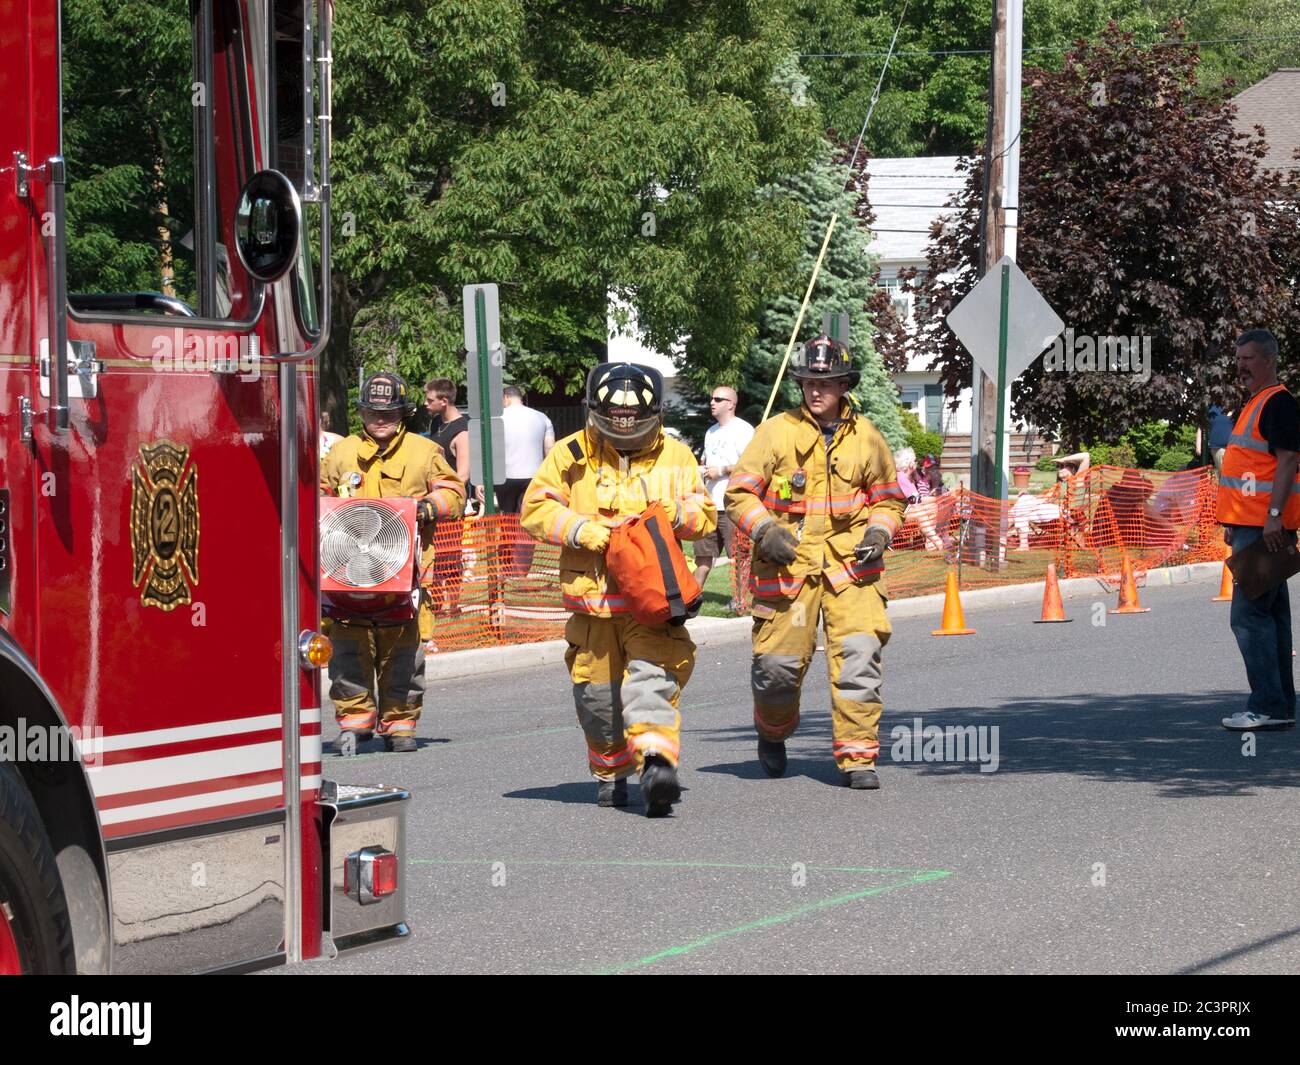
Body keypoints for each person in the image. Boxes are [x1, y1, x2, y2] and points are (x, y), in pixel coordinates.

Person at [521, 362, 716, 815]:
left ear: (654, 415)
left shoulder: (676, 455)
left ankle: (657, 765)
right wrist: (578, 529)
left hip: (652, 604)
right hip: (593, 608)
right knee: (598, 702)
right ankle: (611, 775)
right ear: (596, 412)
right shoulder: (570, 455)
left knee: (652, 685)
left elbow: (704, 514)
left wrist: (677, 513)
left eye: (635, 420)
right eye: (615, 420)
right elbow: (536, 508)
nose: (625, 429)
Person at [726, 334, 907, 789]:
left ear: (844, 385)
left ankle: (858, 759)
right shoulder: (775, 432)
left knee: (859, 660)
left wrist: (879, 533)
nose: (816, 390)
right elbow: (739, 494)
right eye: (809, 382)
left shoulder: (867, 437)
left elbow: (890, 499)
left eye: (825, 383)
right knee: (777, 671)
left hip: (852, 571)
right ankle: (772, 732)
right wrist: (765, 531)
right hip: (789, 571)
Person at [321, 372, 466, 752]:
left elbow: (455, 493)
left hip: (406, 579)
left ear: (403, 413)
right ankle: (354, 723)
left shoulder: (425, 452)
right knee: (347, 653)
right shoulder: (341, 453)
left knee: (402, 656)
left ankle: (400, 724)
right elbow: (317, 496)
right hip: (347, 576)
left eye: (388, 412)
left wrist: (428, 507)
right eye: (372, 412)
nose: (380, 419)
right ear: (361, 412)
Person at [1217, 328, 1299, 731]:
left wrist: (1273, 516)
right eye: (1238, 359)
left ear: (1269, 359)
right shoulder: (1256, 403)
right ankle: (1279, 706)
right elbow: (1251, 471)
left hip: (1265, 528)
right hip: (1253, 527)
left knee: (1248, 618)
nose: (1240, 366)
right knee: (1272, 617)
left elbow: (1288, 460)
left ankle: (1266, 705)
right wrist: (1233, 521)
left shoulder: (1278, 403)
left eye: (1248, 358)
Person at [693, 385, 754, 604]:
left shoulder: (744, 430)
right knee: (702, 556)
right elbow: (706, 460)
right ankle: (691, 597)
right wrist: (701, 469)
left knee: (738, 556)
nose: (712, 402)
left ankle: (741, 600)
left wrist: (721, 470)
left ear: (731, 404)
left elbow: (750, 466)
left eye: (718, 399)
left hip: (733, 504)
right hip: (710, 504)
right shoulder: (711, 432)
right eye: (712, 399)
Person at [424, 378, 471, 615]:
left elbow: (463, 474)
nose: (425, 403)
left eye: (429, 400)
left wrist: (443, 492)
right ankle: (437, 603)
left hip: (451, 503)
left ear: (444, 401)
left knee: (451, 555)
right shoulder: (435, 423)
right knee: (434, 553)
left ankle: (454, 605)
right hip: (433, 502)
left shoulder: (462, 430)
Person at [497, 385, 555, 577]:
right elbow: (550, 449)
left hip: (505, 476)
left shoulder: (498, 418)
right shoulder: (541, 417)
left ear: (506, 398)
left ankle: (505, 564)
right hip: (533, 477)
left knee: (507, 520)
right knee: (527, 523)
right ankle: (521, 569)